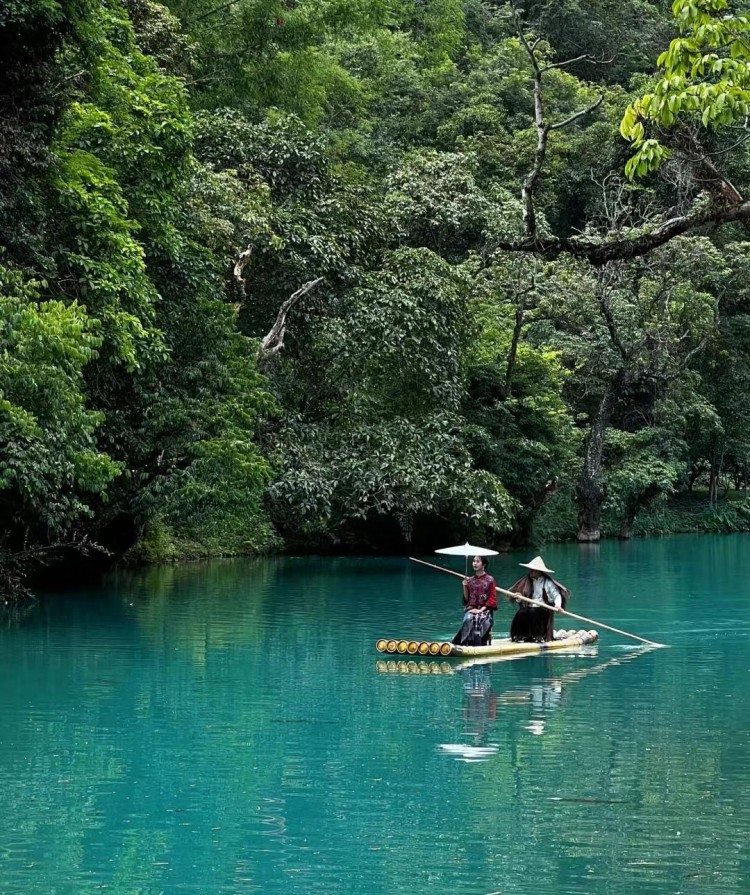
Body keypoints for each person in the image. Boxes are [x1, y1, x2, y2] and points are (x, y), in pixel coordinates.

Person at [507, 556, 570, 643]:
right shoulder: (527, 581)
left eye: (533, 570)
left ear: (539, 571)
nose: (531, 571)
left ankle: (537, 636)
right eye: (530, 569)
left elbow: (557, 596)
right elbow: (521, 599)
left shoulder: (548, 583)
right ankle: (522, 635)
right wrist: (518, 597)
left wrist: (558, 606)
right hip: (530, 607)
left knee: (534, 611)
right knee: (521, 612)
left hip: (543, 608)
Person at [452, 555, 498, 646]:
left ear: (483, 564)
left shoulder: (490, 580)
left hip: (485, 610)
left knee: (480, 619)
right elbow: (466, 600)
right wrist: (464, 586)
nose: (475, 563)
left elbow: (492, 599)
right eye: (474, 561)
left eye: (477, 561)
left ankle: (478, 643)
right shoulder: (470, 580)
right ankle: (464, 643)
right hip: (471, 608)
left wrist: (480, 610)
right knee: (468, 619)